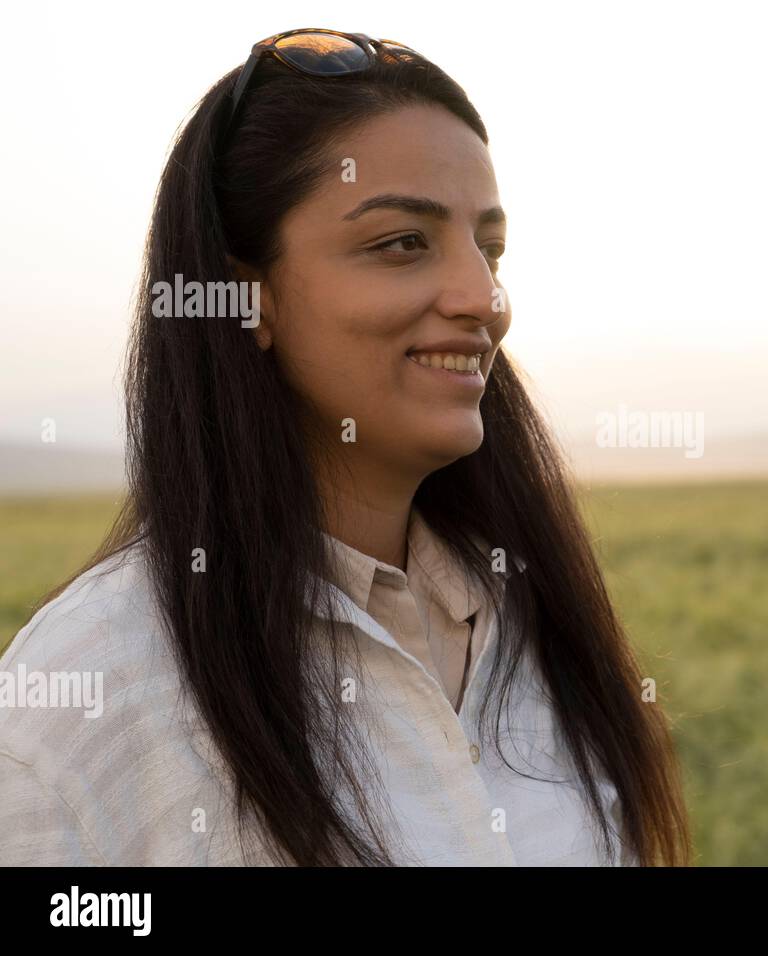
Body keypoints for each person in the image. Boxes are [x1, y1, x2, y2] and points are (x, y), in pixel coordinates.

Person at [0, 29, 691, 866]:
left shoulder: (534, 617)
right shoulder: (86, 694)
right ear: (243, 299)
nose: (485, 297)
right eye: (402, 242)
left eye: (491, 247)